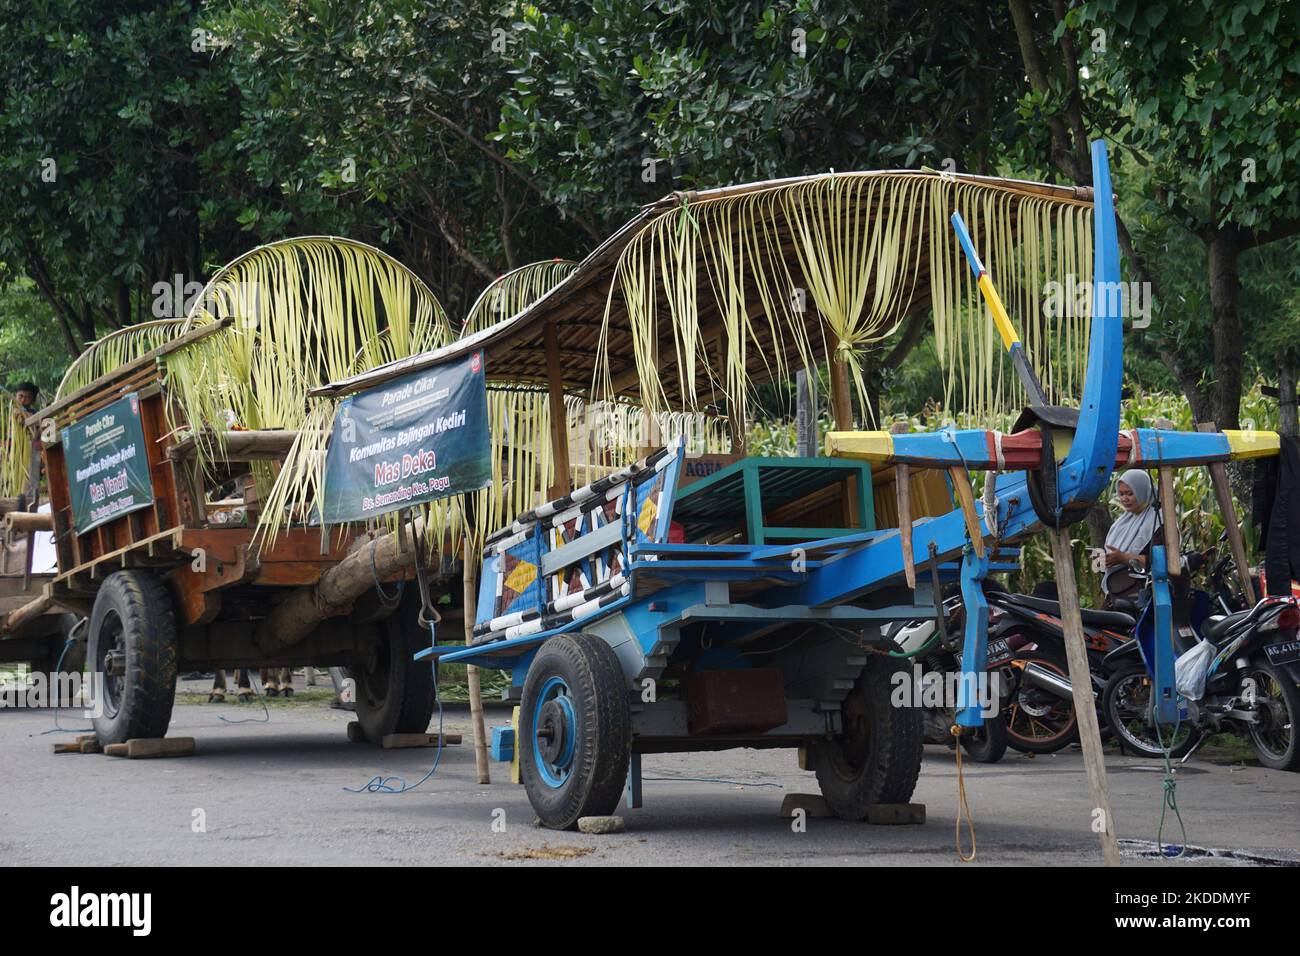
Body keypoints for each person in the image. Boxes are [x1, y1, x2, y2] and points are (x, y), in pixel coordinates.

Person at [1101, 468, 1161, 607]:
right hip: (1116, 593)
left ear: (1142, 491)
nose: (1124, 499)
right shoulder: (1121, 523)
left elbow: (1161, 561)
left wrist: (1123, 558)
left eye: (1130, 493)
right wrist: (1101, 561)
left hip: (1142, 597)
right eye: (1121, 494)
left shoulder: (1158, 520)